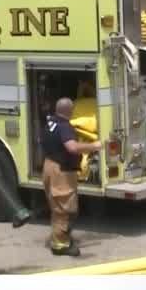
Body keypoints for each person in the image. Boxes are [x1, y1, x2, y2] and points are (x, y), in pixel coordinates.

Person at [42, 97, 103, 257]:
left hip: (49, 166)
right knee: (66, 209)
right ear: (70, 111)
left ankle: (59, 238)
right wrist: (94, 146)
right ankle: (60, 245)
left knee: (57, 208)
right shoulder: (64, 127)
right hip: (61, 171)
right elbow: (72, 147)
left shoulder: (50, 123)